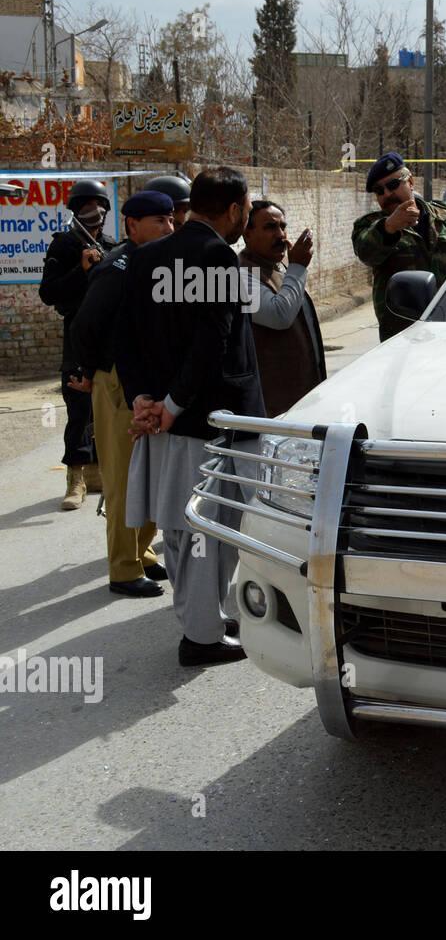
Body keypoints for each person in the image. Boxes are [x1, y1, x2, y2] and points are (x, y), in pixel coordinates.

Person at [115, 167, 263, 667]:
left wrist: (143, 401)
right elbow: (212, 340)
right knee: (211, 528)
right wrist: (174, 407)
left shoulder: (146, 257)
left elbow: (125, 340)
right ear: (236, 208)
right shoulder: (217, 255)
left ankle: (201, 619)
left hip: (163, 421)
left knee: (184, 530)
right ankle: (201, 637)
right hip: (207, 423)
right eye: (246, 210)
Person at [69, 190, 176, 598]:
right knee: (123, 476)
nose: (168, 227)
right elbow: (85, 326)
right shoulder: (119, 267)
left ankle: (143, 551)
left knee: (149, 472)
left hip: (149, 380)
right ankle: (123, 568)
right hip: (117, 381)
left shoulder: (157, 261)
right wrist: (98, 372)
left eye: (170, 220)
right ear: (132, 226)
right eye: (159, 221)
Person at [39, 178, 119, 509]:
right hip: (77, 336)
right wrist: (81, 270)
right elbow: (49, 293)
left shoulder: (114, 247)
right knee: (78, 407)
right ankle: (75, 477)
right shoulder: (64, 246)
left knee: (107, 407)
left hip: (109, 340)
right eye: (85, 208)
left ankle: (98, 471)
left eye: (98, 207)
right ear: (75, 211)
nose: (94, 213)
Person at [352, 152, 446, 341]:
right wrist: (389, 227)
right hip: (402, 335)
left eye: (393, 185)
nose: (387, 195)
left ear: (410, 181)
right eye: (379, 191)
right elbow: (366, 251)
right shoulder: (370, 225)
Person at [239, 199, 326, 416]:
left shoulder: (278, 268)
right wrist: (297, 266)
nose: (280, 235)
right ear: (247, 235)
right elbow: (279, 315)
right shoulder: (241, 277)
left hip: (301, 397)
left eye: (282, 226)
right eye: (270, 227)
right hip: (273, 406)